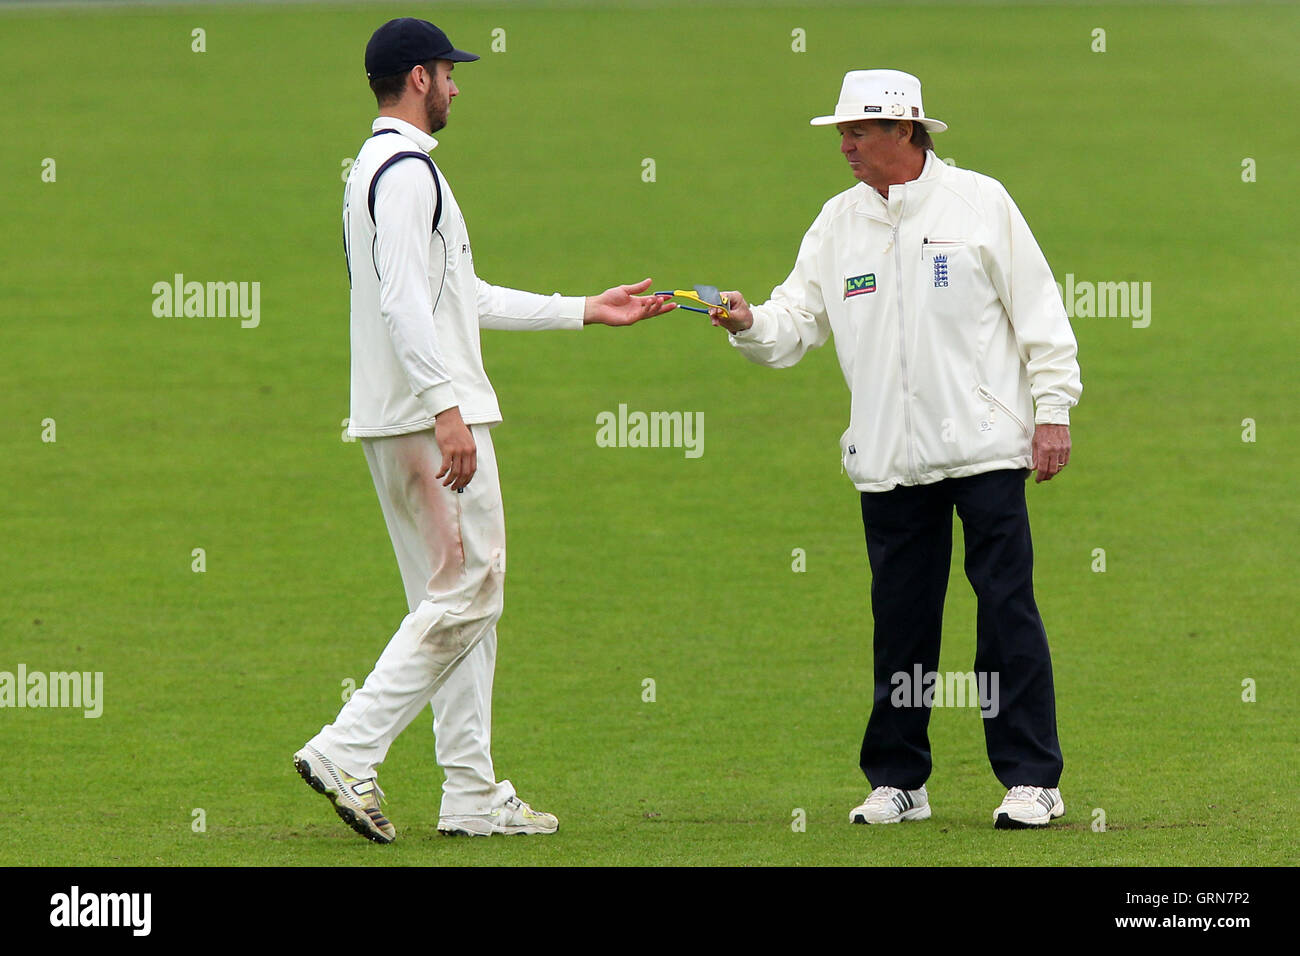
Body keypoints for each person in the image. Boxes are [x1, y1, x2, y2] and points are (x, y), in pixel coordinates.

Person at [293, 17, 675, 843]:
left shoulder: (377, 169)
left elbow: (457, 296)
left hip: (396, 419)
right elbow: (402, 300)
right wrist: (448, 408)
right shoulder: (407, 176)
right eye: (448, 71)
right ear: (419, 79)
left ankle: (468, 791)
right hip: (427, 420)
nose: (459, 85)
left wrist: (584, 310)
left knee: (459, 603)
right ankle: (345, 746)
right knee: (470, 593)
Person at [706, 70, 1081, 829]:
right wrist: (748, 322)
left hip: (984, 450)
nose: (844, 145)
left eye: (859, 132)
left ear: (906, 131)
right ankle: (900, 779)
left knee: (1006, 614)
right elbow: (795, 323)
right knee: (901, 621)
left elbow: (1041, 312)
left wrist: (1053, 412)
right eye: (842, 133)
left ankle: (1033, 778)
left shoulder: (981, 203)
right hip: (887, 458)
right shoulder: (838, 223)